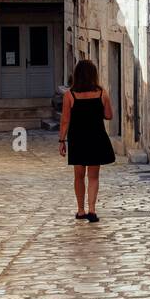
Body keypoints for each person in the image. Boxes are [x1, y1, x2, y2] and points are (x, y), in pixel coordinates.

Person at [59, 59, 116, 222]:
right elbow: (109, 115)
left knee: (78, 176)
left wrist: (61, 141)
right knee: (93, 176)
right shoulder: (101, 93)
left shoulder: (70, 95)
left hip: (78, 138)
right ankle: (92, 209)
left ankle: (81, 210)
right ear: (93, 75)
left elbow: (65, 120)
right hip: (96, 136)